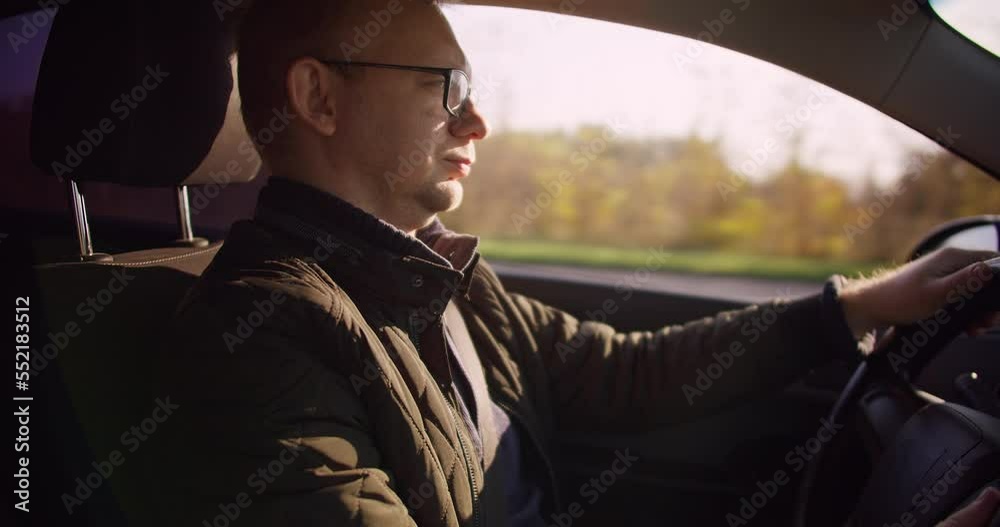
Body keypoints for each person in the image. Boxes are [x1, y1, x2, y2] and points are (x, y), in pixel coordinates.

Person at [153, 1, 1000, 525]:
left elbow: (621, 371)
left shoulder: (436, 272)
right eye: (445, 84)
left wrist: (862, 306)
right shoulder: (256, 336)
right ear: (319, 98)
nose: (476, 121)